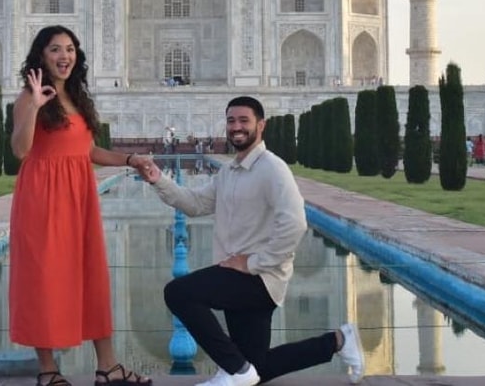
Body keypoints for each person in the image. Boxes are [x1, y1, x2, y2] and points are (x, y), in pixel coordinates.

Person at [140, 96, 365, 386]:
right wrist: (158, 178)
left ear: (261, 125)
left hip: (259, 278)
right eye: (231, 120)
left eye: (244, 120)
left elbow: (295, 223)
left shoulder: (272, 168)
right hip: (241, 277)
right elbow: (194, 204)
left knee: (179, 293)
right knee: (257, 369)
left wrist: (254, 262)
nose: (236, 127)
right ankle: (338, 341)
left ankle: (233, 370)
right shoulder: (229, 172)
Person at [8, 25, 156, 386]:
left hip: (79, 196)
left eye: (70, 49)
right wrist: (36, 107)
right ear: (41, 55)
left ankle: (108, 366)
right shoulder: (30, 97)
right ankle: (48, 371)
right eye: (56, 49)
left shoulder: (78, 98)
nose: (64, 56)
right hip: (43, 198)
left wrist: (130, 159)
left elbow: (87, 152)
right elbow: (21, 150)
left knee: (90, 277)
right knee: (43, 280)